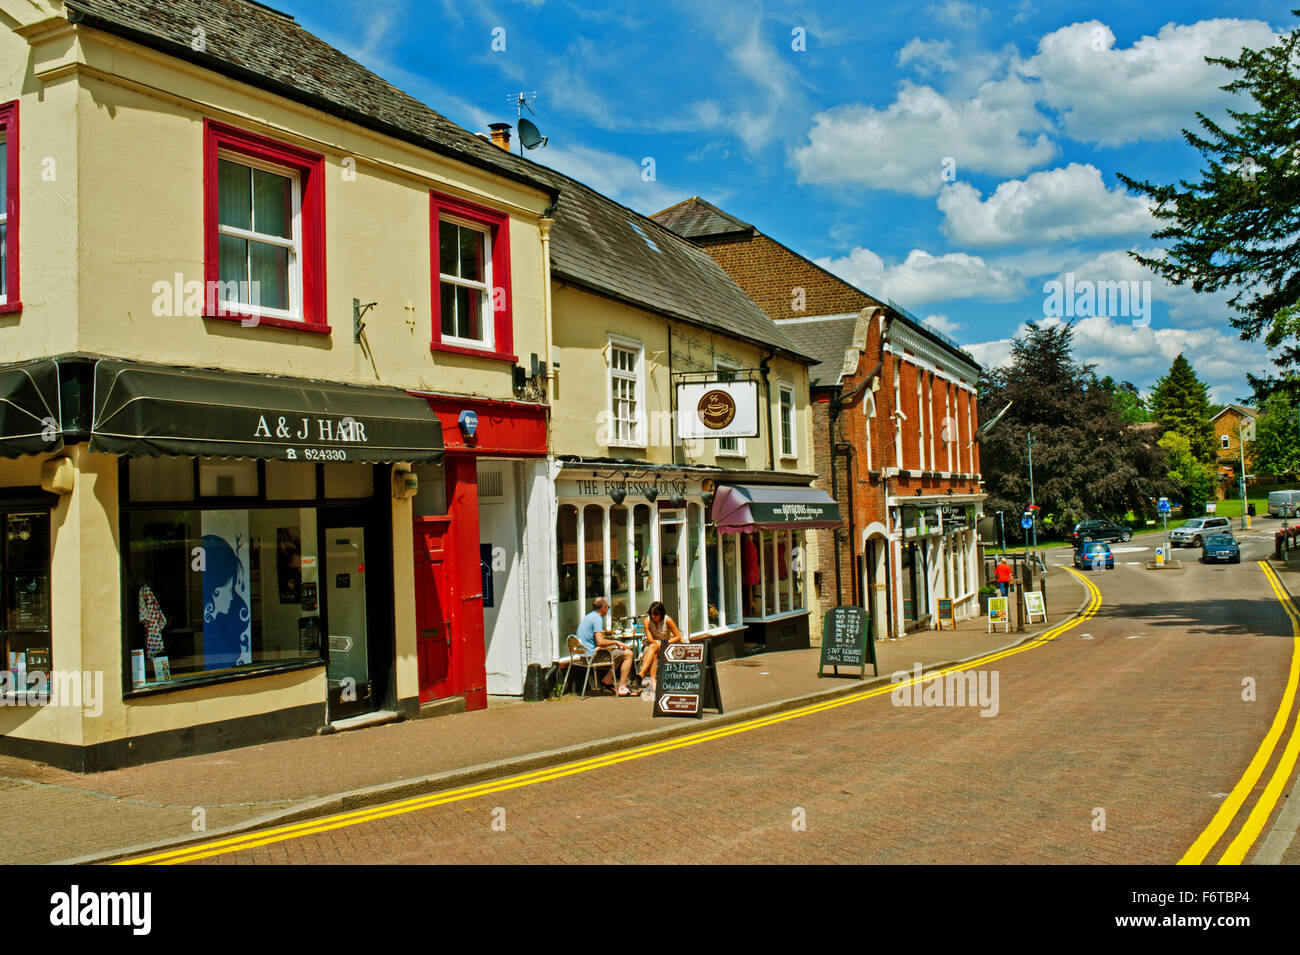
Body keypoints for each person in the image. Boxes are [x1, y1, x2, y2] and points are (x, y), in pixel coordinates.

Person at [575, 596, 635, 696]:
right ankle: (622, 687)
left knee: (618, 652)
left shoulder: (589, 616)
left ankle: (607, 679)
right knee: (628, 653)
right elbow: (600, 642)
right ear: (604, 607)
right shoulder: (597, 619)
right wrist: (617, 642)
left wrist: (614, 645)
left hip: (583, 655)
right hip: (592, 657)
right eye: (608, 607)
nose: (608, 609)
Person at [638, 601, 685, 698]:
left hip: (667, 645)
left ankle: (643, 674)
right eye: (651, 613)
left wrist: (665, 643)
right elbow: (650, 638)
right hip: (653, 645)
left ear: (661, 614)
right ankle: (653, 683)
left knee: (652, 648)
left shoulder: (668, 620)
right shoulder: (647, 620)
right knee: (653, 649)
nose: (653, 616)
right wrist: (657, 643)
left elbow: (678, 636)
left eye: (655, 614)